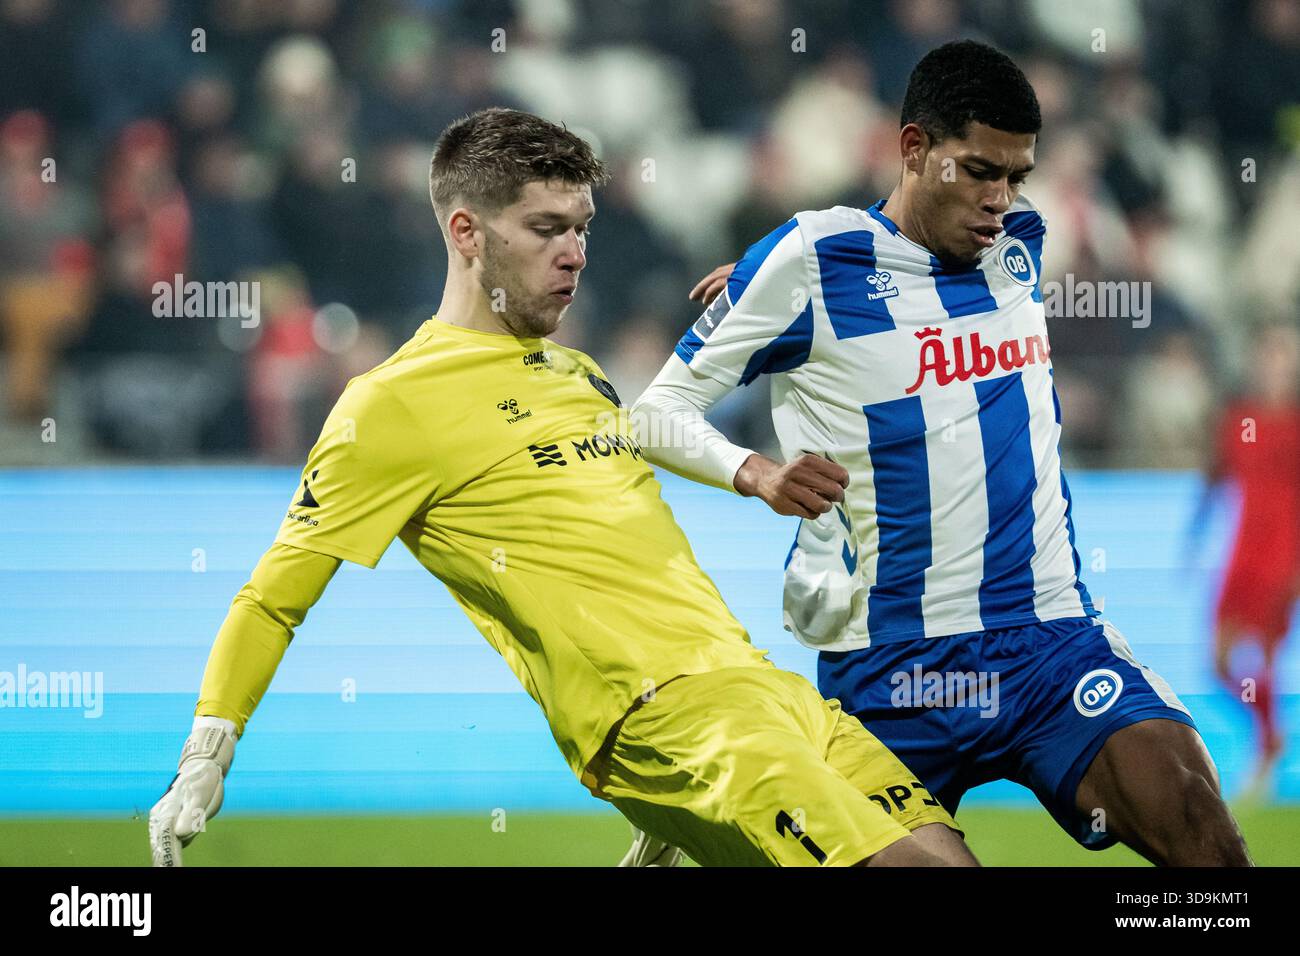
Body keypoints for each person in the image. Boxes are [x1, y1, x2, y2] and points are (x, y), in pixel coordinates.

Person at [148, 107, 972, 868]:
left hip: (765, 690)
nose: (574, 251)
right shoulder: (390, 405)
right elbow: (273, 598)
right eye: (545, 229)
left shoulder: (580, 374)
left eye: (581, 228)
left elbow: (617, 555)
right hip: (666, 721)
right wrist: (207, 752)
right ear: (466, 232)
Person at [627, 41, 1251, 866]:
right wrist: (758, 471)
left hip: (1047, 642)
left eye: (1017, 176)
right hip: (892, 672)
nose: (1001, 199)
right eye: (980, 170)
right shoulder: (812, 264)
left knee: (1210, 849)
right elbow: (653, 413)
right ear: (915, 149)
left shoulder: (1020, 244)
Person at [1192, 323, 1300, 799]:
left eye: (1282, 357)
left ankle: (1267, 750)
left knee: (1267, 657)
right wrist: (1192, 538)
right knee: (1217, 661)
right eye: (1267, 355)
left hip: (1283, 554)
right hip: (1242, 551)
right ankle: (1270, 735)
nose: (1273, 365)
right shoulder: (1239, 418)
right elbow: (1216, 475)